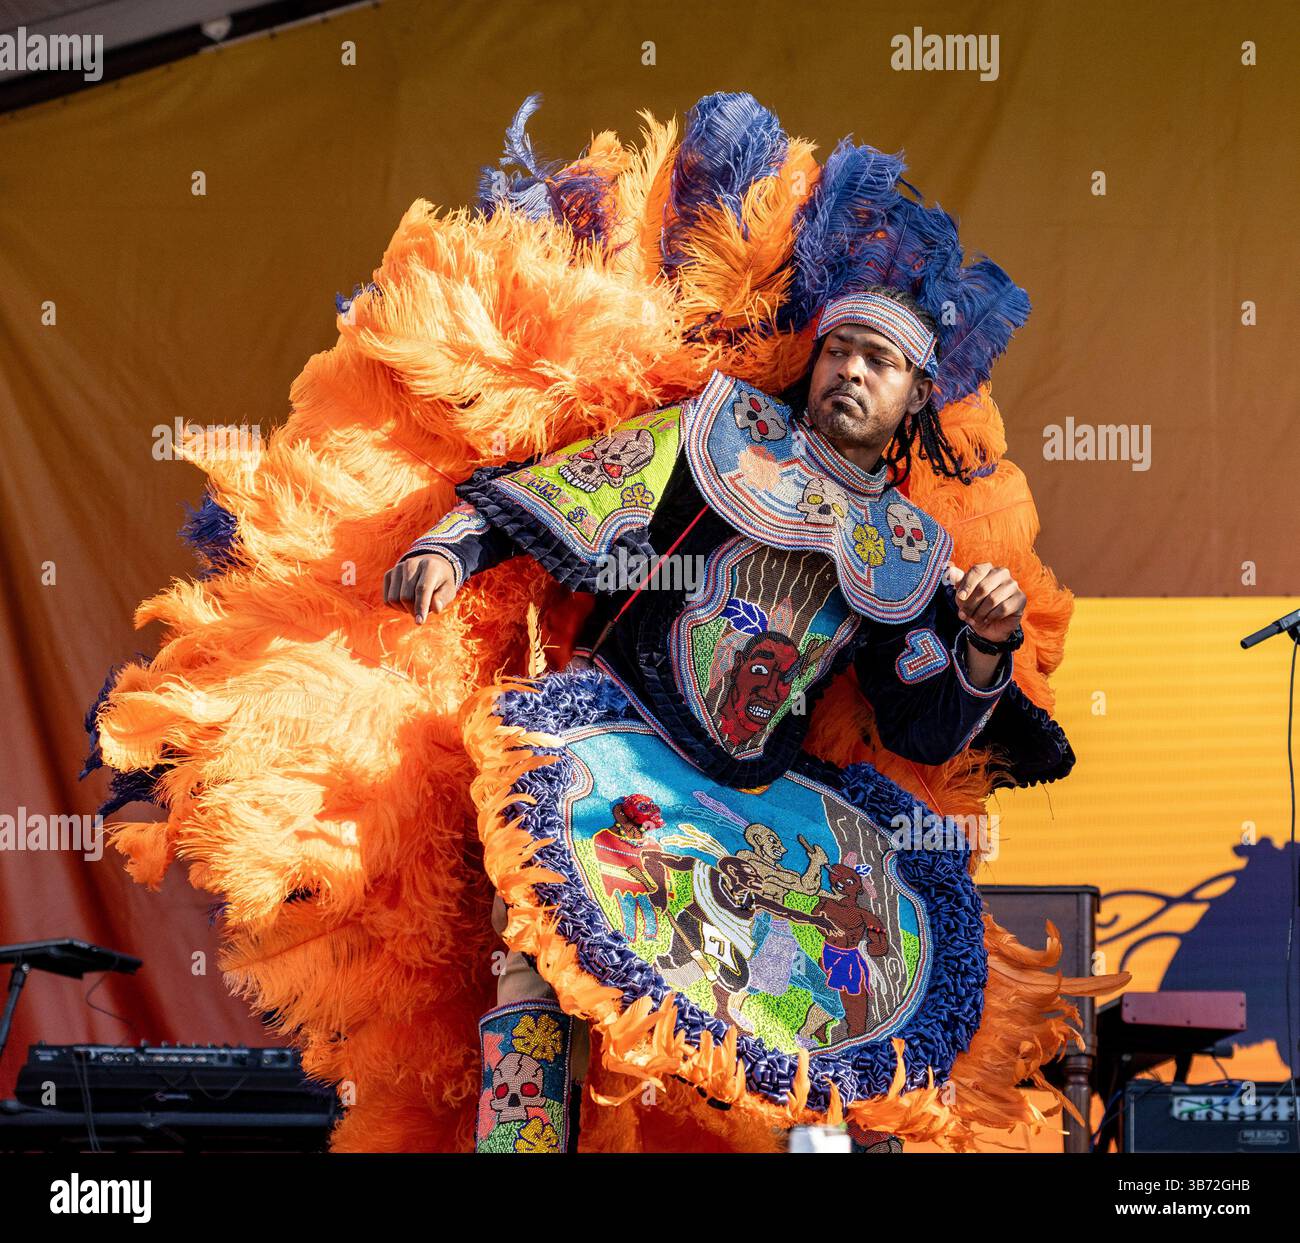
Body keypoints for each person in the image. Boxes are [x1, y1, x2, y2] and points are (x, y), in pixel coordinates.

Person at [385, 284, 1073, 1153]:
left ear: (915, 395)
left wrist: (985, 643)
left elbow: (922, 731)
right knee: (535, 939)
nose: (852, 371)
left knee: (825, 1020)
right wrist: (453, 546)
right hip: (618, 747)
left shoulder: (904, 550)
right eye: (839, 350)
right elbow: (572, 489)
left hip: (754, 803)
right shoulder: (722, 433)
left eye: (881, 360)